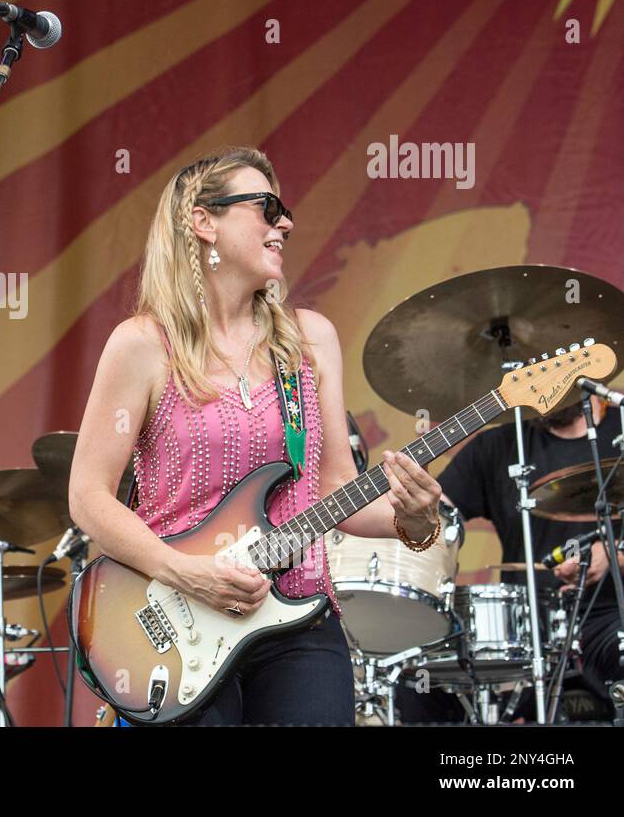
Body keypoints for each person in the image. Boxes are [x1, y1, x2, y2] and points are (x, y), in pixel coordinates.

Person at [68, 147, 444, 725]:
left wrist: (413, 522)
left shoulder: (308, 340)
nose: (285, 223)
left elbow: (336, 490)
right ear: (203, 221)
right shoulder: (142, 344)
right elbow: (88, 497)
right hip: (178, 622)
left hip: (300, 619)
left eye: (284, 210)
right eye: (267, 208)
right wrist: (182, 570)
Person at [397, 397, 623, 722]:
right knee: (417, 678)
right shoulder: (501, 443)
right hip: (526, 628)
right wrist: (417, 504)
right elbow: (439, 516)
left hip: (609, 616)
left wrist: (616, 554)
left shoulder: (621, 428)